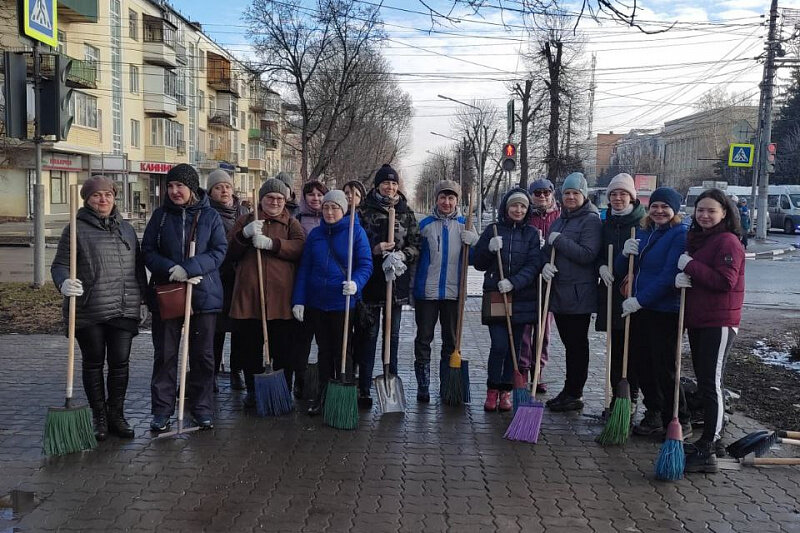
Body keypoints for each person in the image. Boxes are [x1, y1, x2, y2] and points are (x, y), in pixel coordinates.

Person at [51, 176, 148, 440]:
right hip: (89, 308)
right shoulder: (75, 229)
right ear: (87, 199)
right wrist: (64, 283)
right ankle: (99, 417)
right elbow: (60, 265)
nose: (103, 199)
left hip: (124, 307)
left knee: (120, 364)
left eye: (107, 195)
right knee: (93, 364)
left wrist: (143, 300)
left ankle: (117, 414)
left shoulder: (126, 229)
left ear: (114, 197)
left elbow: (138, 267)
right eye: (96, 195)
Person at [142, 164, 227, 431]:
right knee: (165, 354)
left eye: (180, 186)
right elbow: (148, 250)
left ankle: (202, 408)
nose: (175, 191)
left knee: (202, 356)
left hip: (204, 295)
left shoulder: (209, 216)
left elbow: (219, 250)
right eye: (170, 186)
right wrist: (171, 270)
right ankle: (162, 410)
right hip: (168, 294)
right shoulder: (161, 217)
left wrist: (190, 268)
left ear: (191, 188)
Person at [677, 188, 745, 473]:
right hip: (701, 319)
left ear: (724, 213)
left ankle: (709, 445)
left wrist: (690, 266)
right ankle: (709, 441)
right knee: (705, 378)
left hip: (719, 322)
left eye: (711, 211)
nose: (704, 215)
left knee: (711, 383)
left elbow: (725, 281)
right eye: (700, 210)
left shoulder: (727, 241)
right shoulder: (702, 239)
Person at [616, 186, 691, 438]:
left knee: (665, 367)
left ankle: (679, 417)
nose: (659, 211)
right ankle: (654, 412)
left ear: (675, 210)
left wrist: (640, 300)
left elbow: (668, 275)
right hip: (642, 309)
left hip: (665, 311)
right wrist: (624, 253)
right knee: (643, 364)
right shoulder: (647, 233)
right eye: (655, 206)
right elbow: (626, 267)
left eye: (665, 207)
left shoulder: (679, 234)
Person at [291, 190, 373, 415]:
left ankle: (344, 395)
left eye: (334, 207)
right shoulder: (316, 235)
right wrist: (299, 299)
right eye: (326, 207)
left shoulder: (355, 232)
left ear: (343, 209)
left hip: (343, 304)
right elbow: (305, 268)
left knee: (343, 351)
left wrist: (356, 283)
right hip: (317, 303)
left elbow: (366, 264)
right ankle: (323, 394)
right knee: (324, 351)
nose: (329, 211)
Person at [227, 178, 306, 407]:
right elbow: (229, 250)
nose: (275, 202)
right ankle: (254, 394)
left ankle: (281, 392)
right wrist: (245, 235)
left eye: (280, 198)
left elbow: (300, 247)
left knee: (284, 351)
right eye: (270, 198)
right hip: (250, 299)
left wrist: (273, 244)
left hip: (281, 301)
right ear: (261, 199)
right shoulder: (246, 220)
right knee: (250, 350)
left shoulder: (291, 224)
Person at [356, 164, 420, 407]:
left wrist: (404, 255)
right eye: (385, 183)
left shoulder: (406, 212)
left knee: (392, 336)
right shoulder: (364, 212)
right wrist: (374, 250)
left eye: (393, 183)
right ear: (377, 185)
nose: (390, 187)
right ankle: (364, 387)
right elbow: (356, 244)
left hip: (396, 283)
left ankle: (390, 379)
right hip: (371, 283)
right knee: (369, 336)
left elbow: (416, 243)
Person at [473, 188, 542, 411]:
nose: (518, 209)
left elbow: (534, 265)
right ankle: (492, 390)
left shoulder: (531, 234)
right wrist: (489, 250)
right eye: (514, 205)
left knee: (517, 349)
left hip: (521, 296)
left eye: (523, 206)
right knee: (500, 344)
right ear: (506, 207)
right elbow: (478, 262)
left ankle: (506, 391)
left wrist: (514, 282)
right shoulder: (493, 230)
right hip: (496, 295)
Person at [413, 180, 480, 402]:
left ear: (457, 201)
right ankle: (423, 385)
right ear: (436, 199)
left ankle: (448, 384)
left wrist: (475, 242)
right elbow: (415, 256)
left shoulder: (465, 224)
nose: (447, 202)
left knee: (450, 341)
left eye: (451, 198)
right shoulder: (425, 225)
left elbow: (479, 259)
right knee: (424, 339)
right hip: (427, 292)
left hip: (454, 293)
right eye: (443, 197)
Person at [541, 172, 603, 412]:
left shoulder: (591, 220)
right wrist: (544, 262)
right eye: (566, 193)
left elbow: (588, 254)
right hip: (559, 292)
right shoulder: (561, 220)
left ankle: (574, 392)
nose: (570, 197)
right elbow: (549, 248)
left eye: (575, 193)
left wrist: (559, 241)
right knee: (569, 344)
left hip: (579, 295)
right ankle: (569, 390)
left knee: (577, 346)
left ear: (583, 195)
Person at [595, 173, 647, 415]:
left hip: (633, 294)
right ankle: (617, 398)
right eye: (614, 194)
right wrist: (601, 266)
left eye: (622, 194)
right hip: (611, 294)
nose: (617, 198)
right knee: (615, 348)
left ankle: (631, 398)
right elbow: (597, 252)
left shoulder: (642, 224)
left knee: (634, 349)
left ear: (632, 198)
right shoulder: (606, 223)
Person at [207, 169, 249, 392]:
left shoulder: (243, 213)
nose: (224, 191)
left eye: (227, 187)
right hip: (217, 279)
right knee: (217, 330)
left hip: (240, 279)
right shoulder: (206, 214)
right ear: (210, 191)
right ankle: (211, 373)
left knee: (240, 330)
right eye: (218, 187)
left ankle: (236, 371)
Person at [519, 177, 560, 393]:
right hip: (528, 280)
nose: (542, 197)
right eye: (537, 193)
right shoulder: (526, 216)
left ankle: (538, 371)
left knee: (544, 331)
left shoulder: (560, 217)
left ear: (552, 194)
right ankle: (524, 369)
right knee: (526, 329)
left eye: (546, 192)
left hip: (551, 280)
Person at [291, 179, 330, 398]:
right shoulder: (297, 219)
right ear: (304, 197)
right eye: (311, 194)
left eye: (319, 194)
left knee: (324, 339)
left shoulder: (332, 218)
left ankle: (324, 382)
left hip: (326, 287)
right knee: (301, 338)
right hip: (302, 283)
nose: (315, 198)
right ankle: (301, 378)